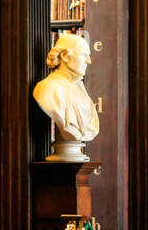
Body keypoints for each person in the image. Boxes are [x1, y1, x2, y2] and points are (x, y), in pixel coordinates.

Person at [33, 33, 99, 161]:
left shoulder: (80, 89)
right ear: (64, 56)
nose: (89, 61)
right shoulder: (48, 88)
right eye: (84, 55)